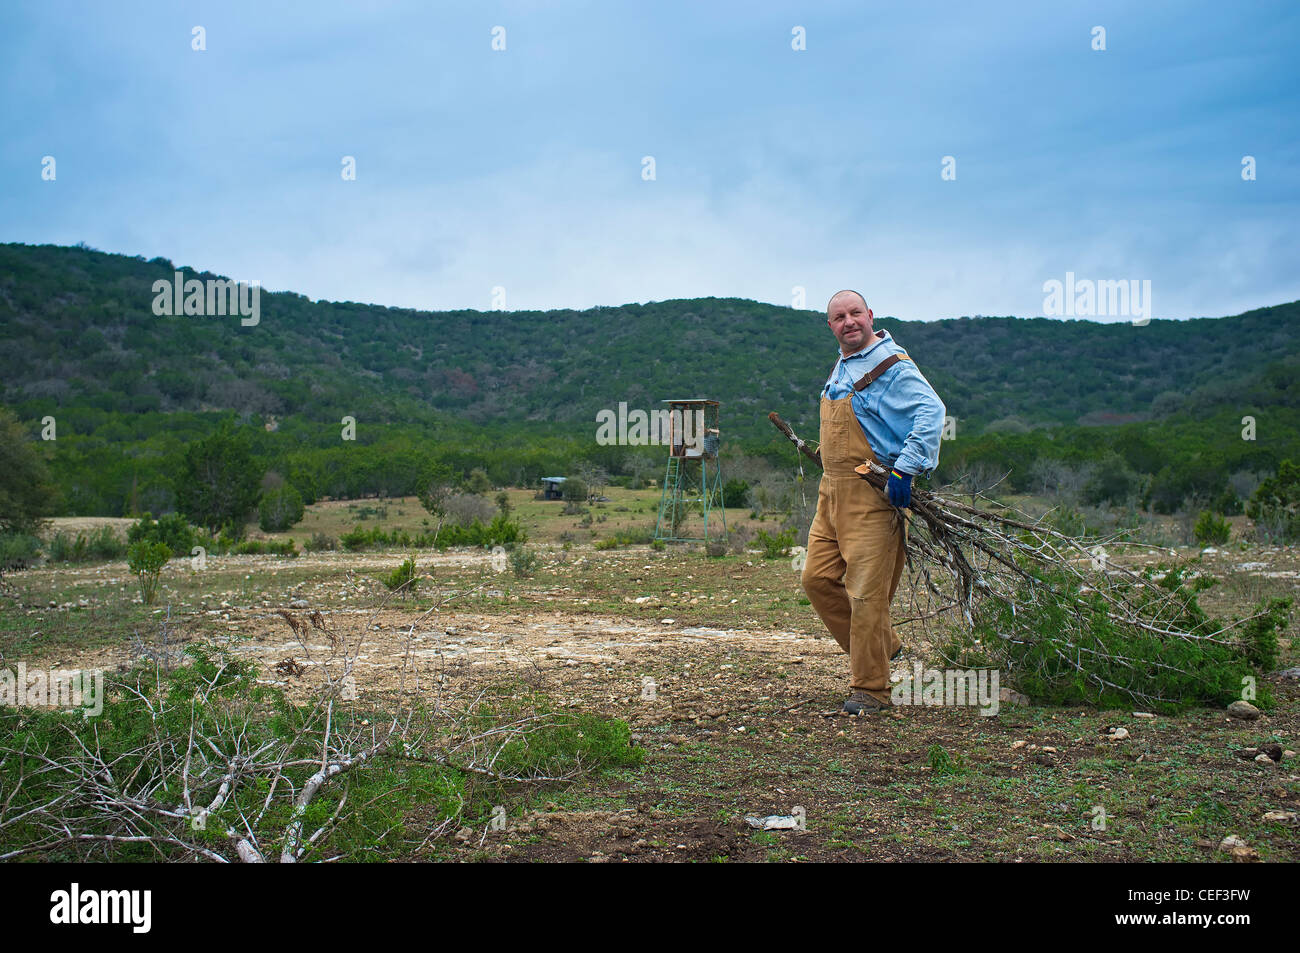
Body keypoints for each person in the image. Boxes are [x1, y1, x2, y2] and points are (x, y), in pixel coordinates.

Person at [801, 290, 946, 714]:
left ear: (870, 316)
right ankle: (883, 644)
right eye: (838, 317)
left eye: (855, 314)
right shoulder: (845, 363)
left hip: (870, 492)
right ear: (830, 325)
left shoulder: (891, 365)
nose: (848, 322)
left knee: (865, 594)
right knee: (816, 578)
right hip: (832, 492)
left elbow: (931, 411)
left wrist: (907, 467)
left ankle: (871, 690)